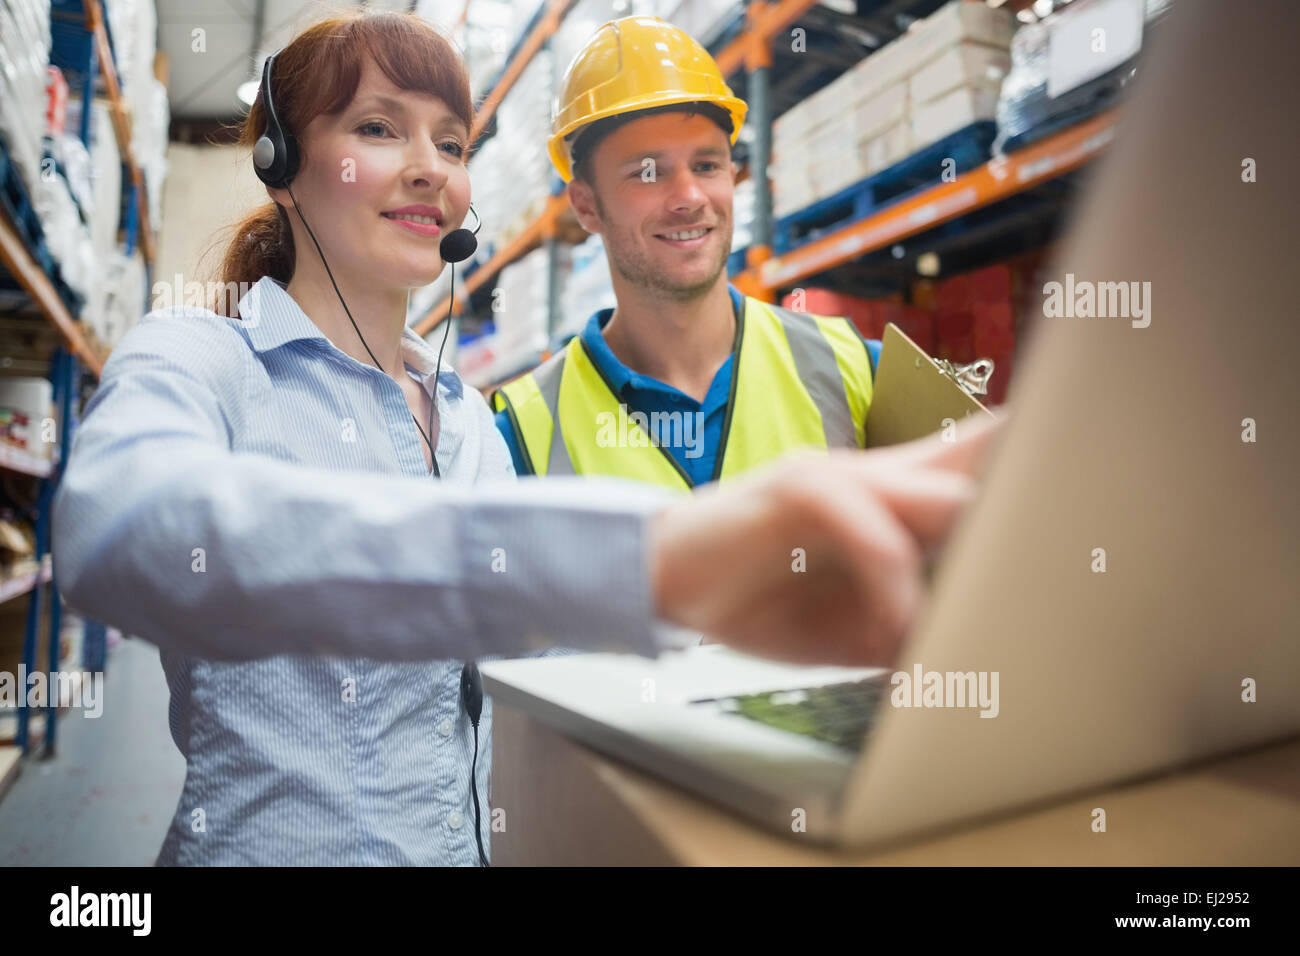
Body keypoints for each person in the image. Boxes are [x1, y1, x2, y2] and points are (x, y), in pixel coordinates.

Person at [50, 9, 1000, 866]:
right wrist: (662, 557)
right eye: (379, 128)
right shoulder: (204, 359)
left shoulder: (467, 422)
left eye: (452, 142)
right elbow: (119, 529)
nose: (432, 166)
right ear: (284, 168)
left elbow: (545, 682)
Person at [493, 17, 882, 487]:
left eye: (707, 165)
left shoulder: (856, 368)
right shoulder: (520, 433)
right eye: (648, 173)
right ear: (586, 206)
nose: (690, 197)